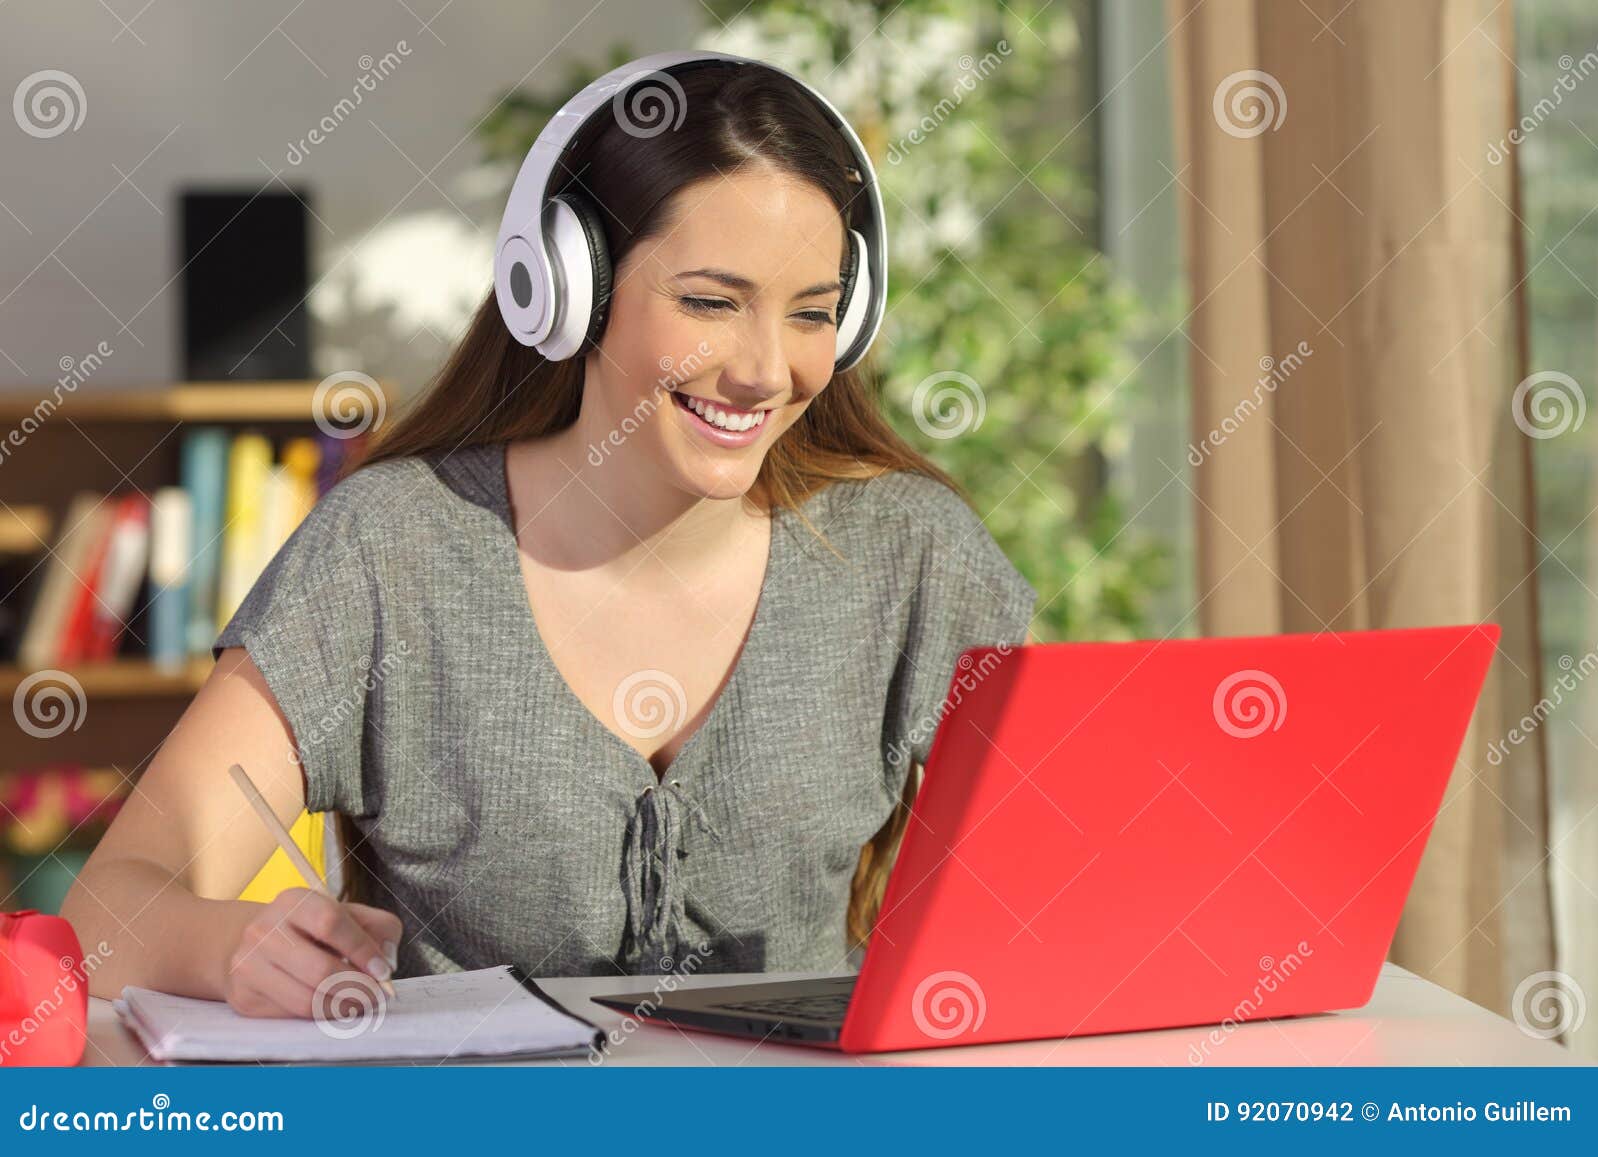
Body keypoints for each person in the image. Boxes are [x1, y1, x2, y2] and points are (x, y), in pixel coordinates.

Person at [62, 55, 1036, 1019]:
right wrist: (236, 945)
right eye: (709, 302)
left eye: (812, 313)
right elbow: (108, 908)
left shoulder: (908, 553)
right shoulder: (392, 551)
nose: (764, 369)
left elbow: (1071, 881)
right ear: (573, 287)